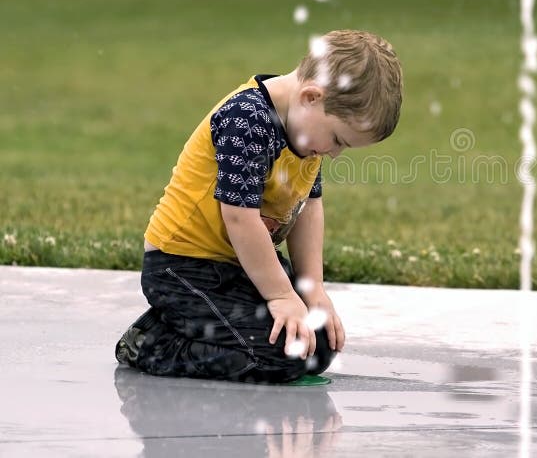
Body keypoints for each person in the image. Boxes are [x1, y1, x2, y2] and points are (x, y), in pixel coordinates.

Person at [115, 29, 403, 383]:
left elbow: (308, 208)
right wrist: (282, 294)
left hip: (240, 264)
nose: (334, 153)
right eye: (338, 140)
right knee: (282, 358)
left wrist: (312, 290)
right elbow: (238, 218)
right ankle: (151, 343)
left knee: (316, 344)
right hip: (183, 267)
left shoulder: (305, 131)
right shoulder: (248, 120)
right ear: (312, 97)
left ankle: (187, 322)